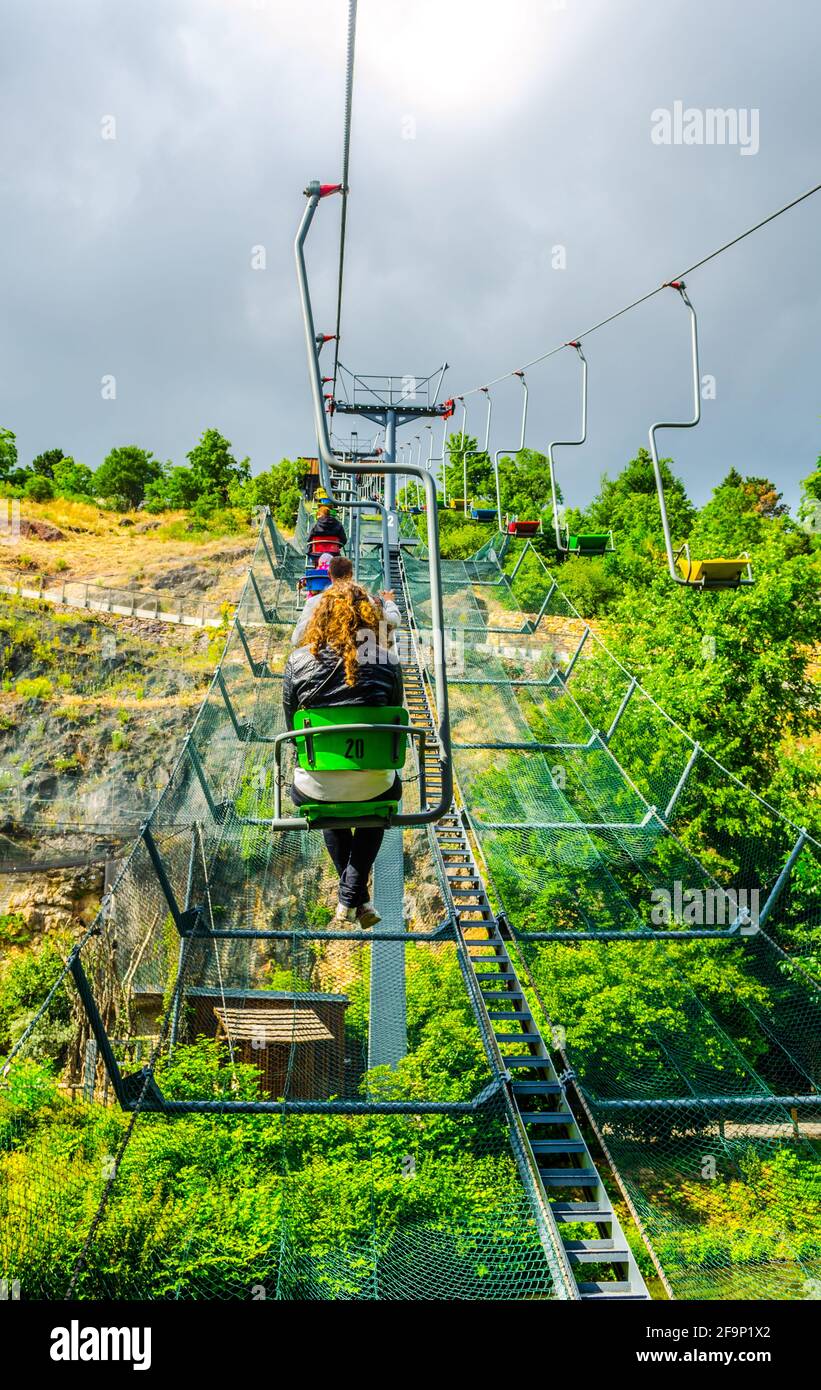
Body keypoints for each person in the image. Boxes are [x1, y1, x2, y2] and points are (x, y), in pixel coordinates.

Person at [282, 582, 403, 928]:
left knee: (325, 799)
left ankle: (352, 897)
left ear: (320, 617)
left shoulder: (298, 662)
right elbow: (394, 723)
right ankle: (355, 899)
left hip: (318, 785)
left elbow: (292, 731)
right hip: (375, 786)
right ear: (369, 618)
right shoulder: (388, 662)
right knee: (376, 803)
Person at [291, 554, 401, 647]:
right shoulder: (365, 600)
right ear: (351, 575)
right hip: (358, 662)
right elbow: (393, 621)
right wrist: (389, 601)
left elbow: (296, 639)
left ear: (329, 574)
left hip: (326, 663)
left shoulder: (315, 602)